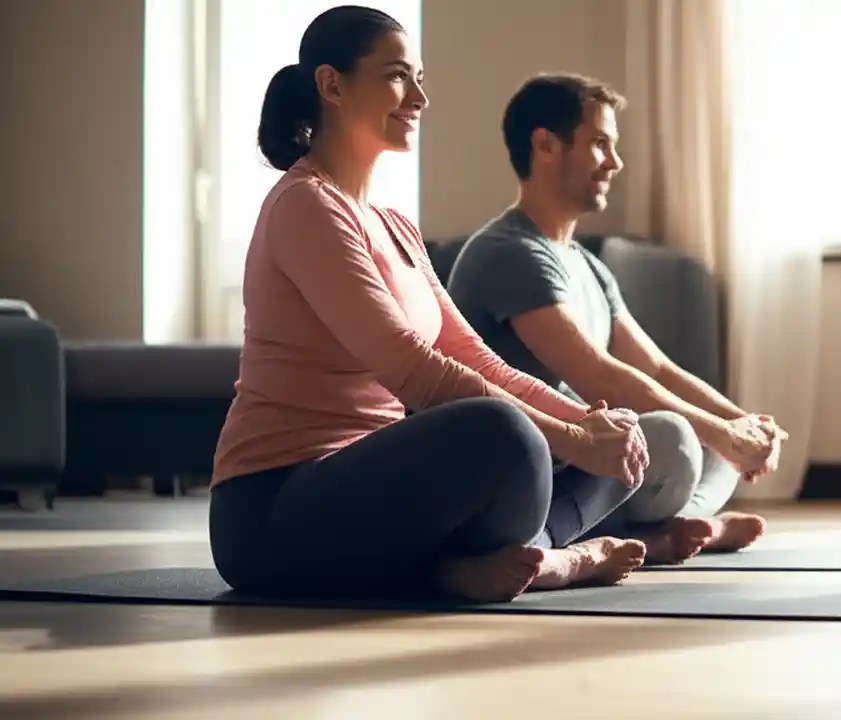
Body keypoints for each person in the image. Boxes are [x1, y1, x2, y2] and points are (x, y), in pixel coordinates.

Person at [208, 7, 652, 605]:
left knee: (621, 441)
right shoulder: (306, 205)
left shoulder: (395, 225)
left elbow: (475, 356)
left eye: (420, 78)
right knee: (506, 434)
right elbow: (412, 368)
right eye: (397, 76)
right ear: (331, 84)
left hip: (379, 496)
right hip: (276, 507)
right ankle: (507, 562)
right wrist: (567, 439)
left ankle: (517, 560)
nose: (418, 96)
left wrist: (588, 428)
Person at [447, 73, 787, 565]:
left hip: (605, 459)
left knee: (714, 448)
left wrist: (741, 424)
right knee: (675, 438)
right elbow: (599, 374)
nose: (615, 162)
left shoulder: (589, 266)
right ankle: (650, 530)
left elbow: (657, 368)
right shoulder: (508, 252)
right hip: (553, 463)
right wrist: (721, 432)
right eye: (600, 144)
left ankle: (673, 527)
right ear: (545, 146)